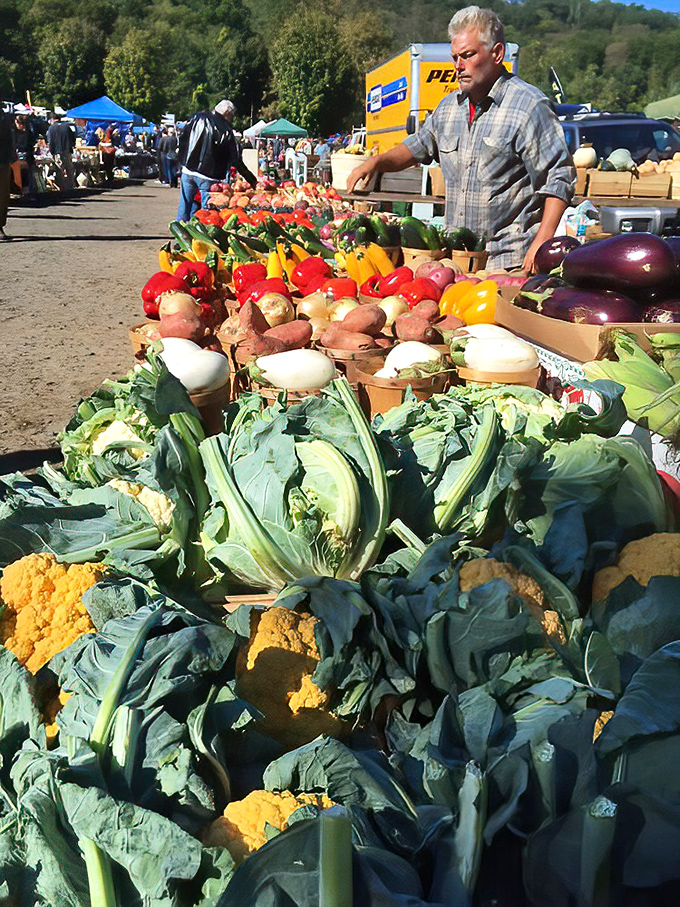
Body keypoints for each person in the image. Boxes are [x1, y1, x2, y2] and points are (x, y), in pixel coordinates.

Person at [347, 5, 575, 272]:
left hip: (507, 262)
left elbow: (559, 177)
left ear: (497, 54)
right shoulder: (448, 108)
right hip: (456, 262)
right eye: (455, 57)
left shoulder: (528, 107)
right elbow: (417, 146)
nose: (458, 65)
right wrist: (375, 163)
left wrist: (543, 240)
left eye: (467, 55)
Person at [176, 99, 257, 221]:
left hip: (188, 169)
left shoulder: (196, 117)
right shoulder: (225, 129)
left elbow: (183, 139)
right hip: (208, 174)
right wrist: (252, 180)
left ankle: (180, 232)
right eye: (232, 116)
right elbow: (235, 159)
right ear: (228, 114)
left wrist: (182, 161)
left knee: (185, 204)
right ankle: (202, 235)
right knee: (207, 213)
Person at [46, 112, 76, 190]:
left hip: (57, 151)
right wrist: (71, 146)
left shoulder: (51, 128)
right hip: (67, 150)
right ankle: (71, 185)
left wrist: (51, 151)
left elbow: (50, 141)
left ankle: (62, 187)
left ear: (52, 119)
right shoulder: (66, 127)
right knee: (69, 168)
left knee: (59, 169)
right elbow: (73, 138)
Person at [0, 110, 17, 240]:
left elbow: (9, 138)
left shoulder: (4, 118)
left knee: (3, 196)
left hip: (3, 160)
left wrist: (12, 155)